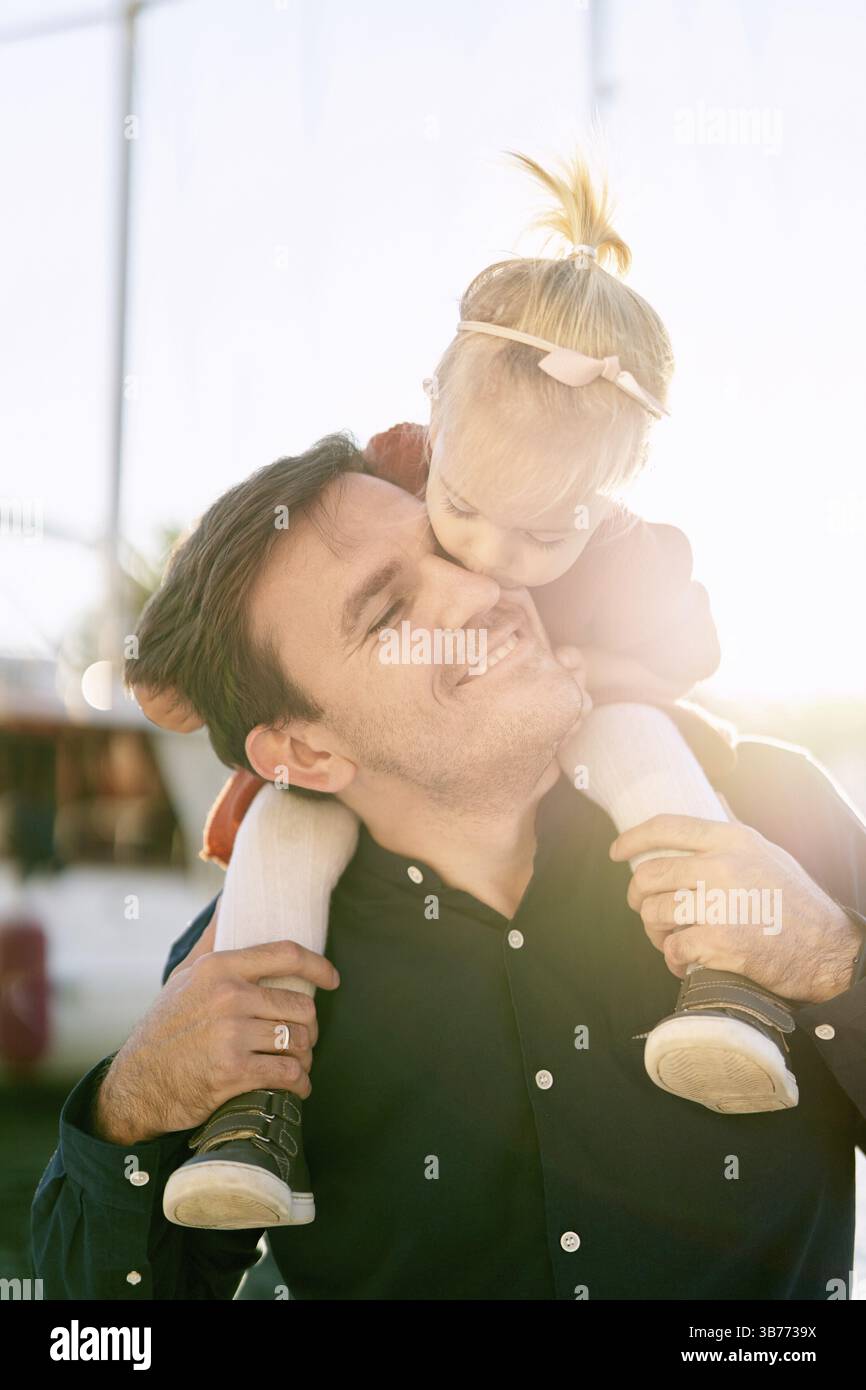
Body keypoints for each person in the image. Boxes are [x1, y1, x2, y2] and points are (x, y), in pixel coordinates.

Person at [31, 438, 866, 1299]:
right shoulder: (237, 976)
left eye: (448, 548)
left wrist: (836, 963)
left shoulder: (776, 813)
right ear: (304, 751)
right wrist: (126, 1108)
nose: (482, 592)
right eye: (390, 614)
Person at [134, 153, 793, 1233]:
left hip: (601, 731)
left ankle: (729, 983)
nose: (483, 567)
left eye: (541, 534)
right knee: (287, 839)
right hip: (297, 816)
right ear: (432, 425)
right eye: (458, 512)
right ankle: (250, 1118)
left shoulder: (764, 791)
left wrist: (834, 961)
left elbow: (682, 647)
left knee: (634, 732)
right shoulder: (381, 476)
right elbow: (88, 1324)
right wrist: (132, 1107)